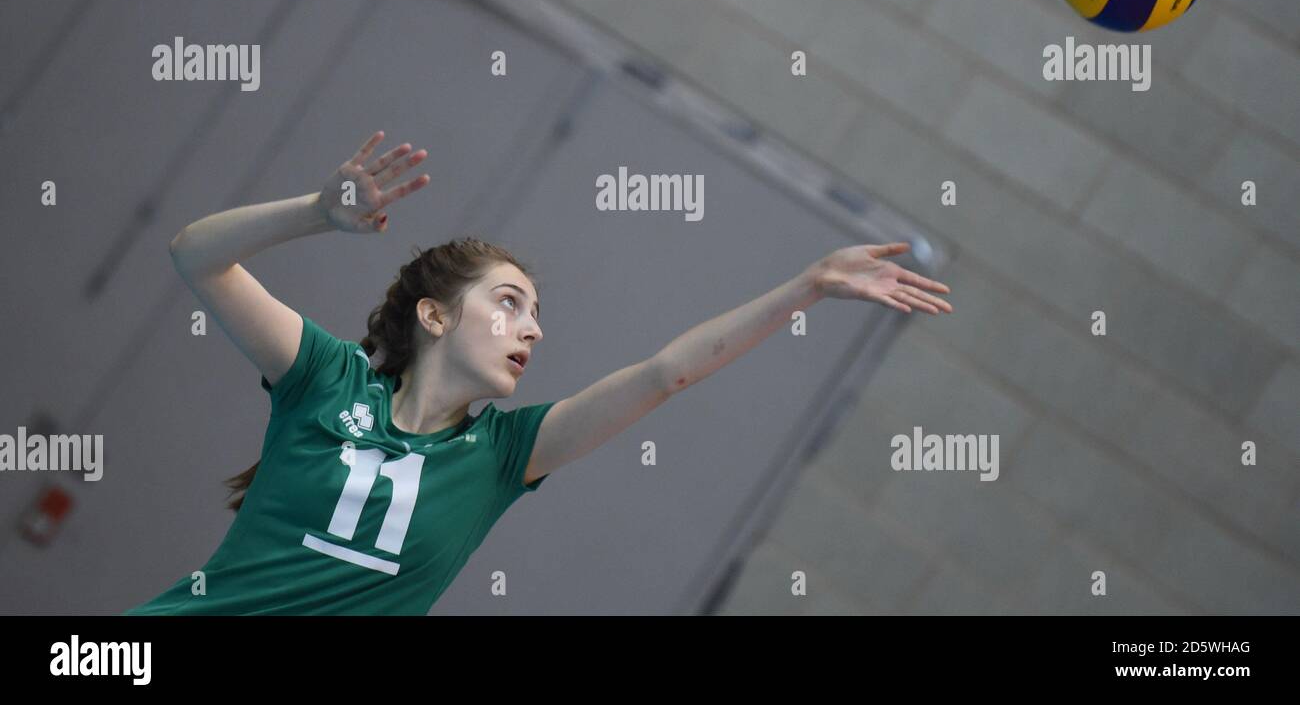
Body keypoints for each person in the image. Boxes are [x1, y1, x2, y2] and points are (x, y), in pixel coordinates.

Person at [124, 130, 952, 614]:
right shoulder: (326, 381)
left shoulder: (504, 455)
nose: (533, 330)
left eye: (535, 315)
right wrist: (314, 213)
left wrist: (807, 286)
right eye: (511, 304)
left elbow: (669, 373)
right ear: (435, 315)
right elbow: (195, 256)